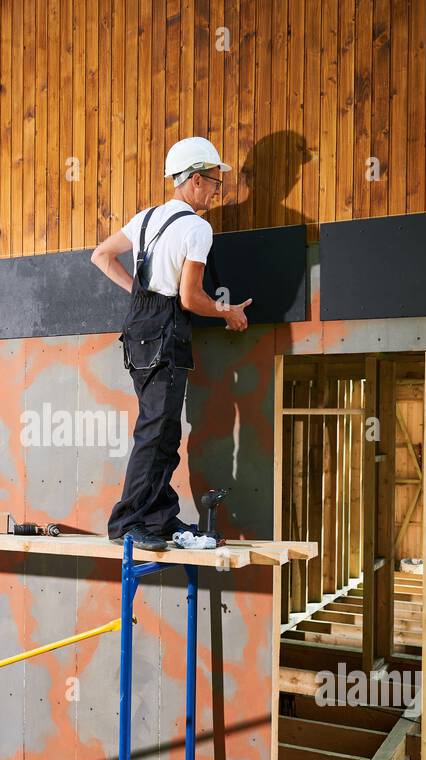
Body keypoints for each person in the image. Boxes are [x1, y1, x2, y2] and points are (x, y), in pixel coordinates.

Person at [90, 137, 252, 549]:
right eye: (215, 181)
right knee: (157, 431)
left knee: (160, 428)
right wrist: (228, 312)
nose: (218, 190)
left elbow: (101, 256)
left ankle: (160, 516)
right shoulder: (197, 228)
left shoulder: (145, 218)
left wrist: (137, 292)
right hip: (166, 331)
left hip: (139, 330)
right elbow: (190, 299)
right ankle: (127, 523)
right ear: (195, 179)